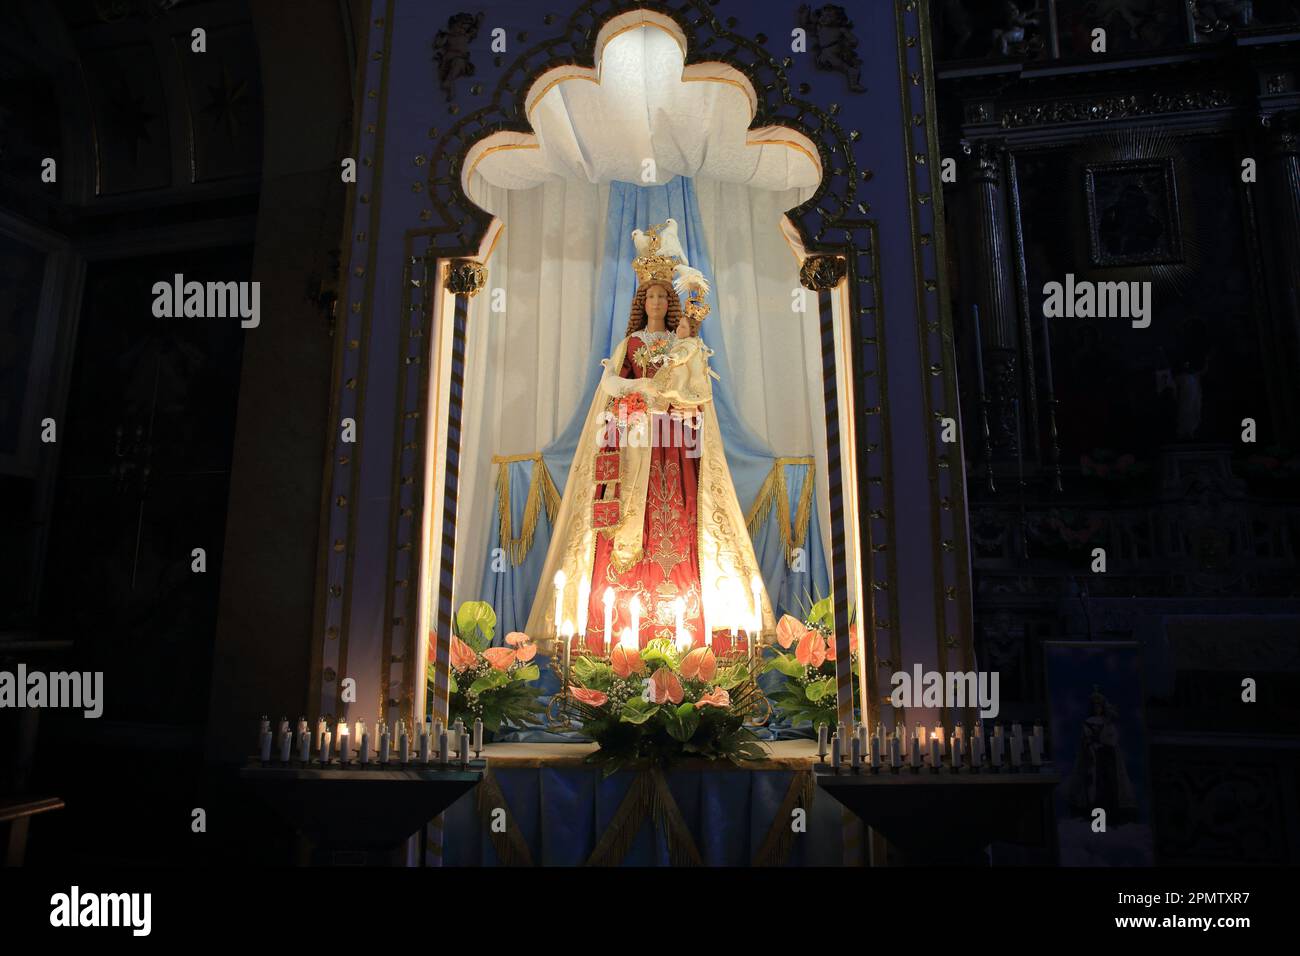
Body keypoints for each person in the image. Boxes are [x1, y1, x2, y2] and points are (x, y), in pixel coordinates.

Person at [525, 223, 772, 652]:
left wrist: (676, 390)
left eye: (663, 295)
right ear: (643, 301)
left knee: (677, 509)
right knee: (628, 515)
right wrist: (641, 392)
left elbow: (700, 393)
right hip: (637, 442)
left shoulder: (686, 346)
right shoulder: (630, 344)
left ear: (671, 303)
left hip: (675, 442)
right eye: (651, 295)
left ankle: (683, 618)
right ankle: (618, 620)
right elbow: (610, 388)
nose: (657, 301)